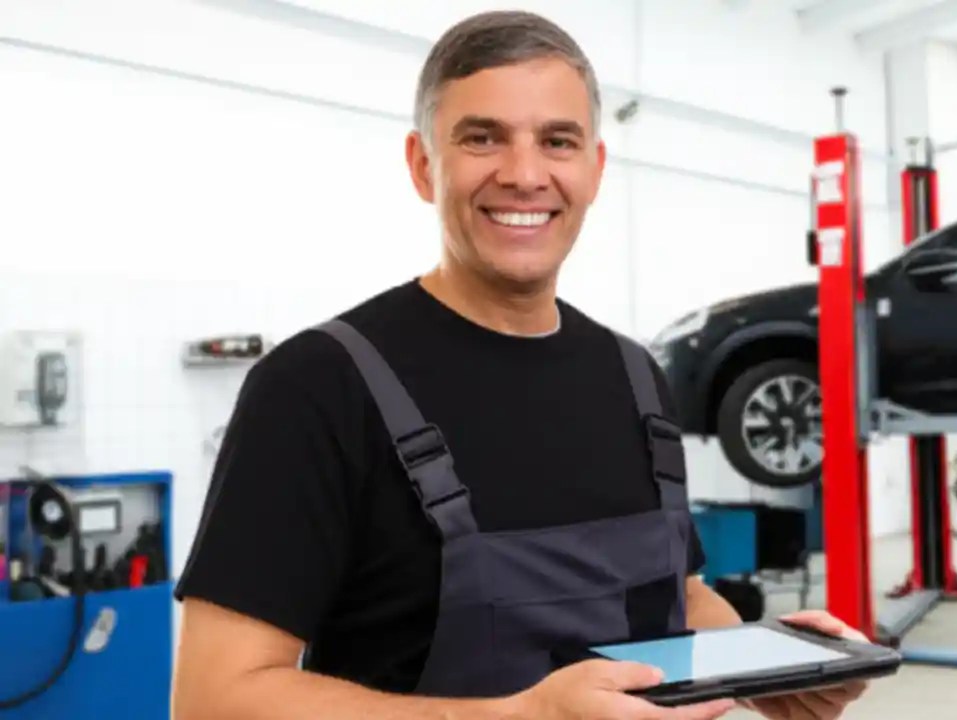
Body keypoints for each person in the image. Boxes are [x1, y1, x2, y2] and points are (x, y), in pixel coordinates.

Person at [171, 10, 872, 720]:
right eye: (482, 138)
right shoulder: (317, 386)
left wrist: (766, 662)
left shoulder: (636, 378)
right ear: (422, 165)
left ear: (594, 169)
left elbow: (675, 597)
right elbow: (213, 699)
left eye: (557, 141)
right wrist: (524, 718)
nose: (525, 174)